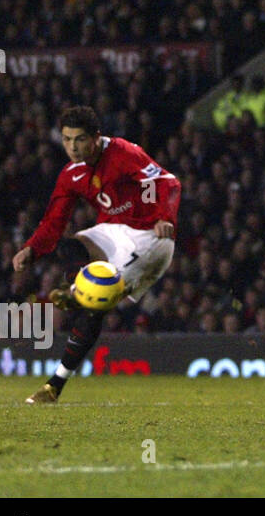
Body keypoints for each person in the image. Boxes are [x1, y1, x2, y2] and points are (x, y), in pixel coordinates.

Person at [12, 106, 181, 403]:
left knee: (96, 301)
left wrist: (163, 216)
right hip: (115, 230)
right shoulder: (71, 174)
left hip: (149, 236)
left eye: (79, 140)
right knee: (72, 244)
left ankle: (55, 384)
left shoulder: (124, 153)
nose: (72, 147)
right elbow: (54, 220)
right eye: (66, 140)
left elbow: (166, 182)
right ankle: (76, 288)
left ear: (96, 138)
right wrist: (31, 248)